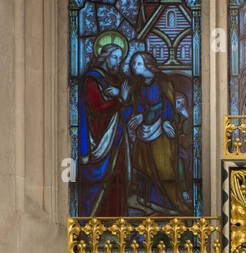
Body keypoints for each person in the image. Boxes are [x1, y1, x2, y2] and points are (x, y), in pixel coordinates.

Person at [125, 51, 188, 215]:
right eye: (133, 64)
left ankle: (171, 204)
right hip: (144, 131)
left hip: (161, 132)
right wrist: (138, 116)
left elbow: (169, 104)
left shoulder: (163, 82)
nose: (134, 66)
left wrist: (167, 121)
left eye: (137, 63)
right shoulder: (138, 84)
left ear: (147, 64)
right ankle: (149, 203)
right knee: (144, 165)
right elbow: (138, 104)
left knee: (163, 167)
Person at [76, 40, 129, 217]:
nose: (117, 62)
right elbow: (97, 108)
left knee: (117, 175)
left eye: (120, 59)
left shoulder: (117, 80)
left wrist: (124, 99)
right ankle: (92, 223)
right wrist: (120, 99)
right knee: (101, 178)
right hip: (99, 139)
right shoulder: (92, 79)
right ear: (105, 56)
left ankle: (116, 221)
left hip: (116, 137)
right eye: (114, 57)